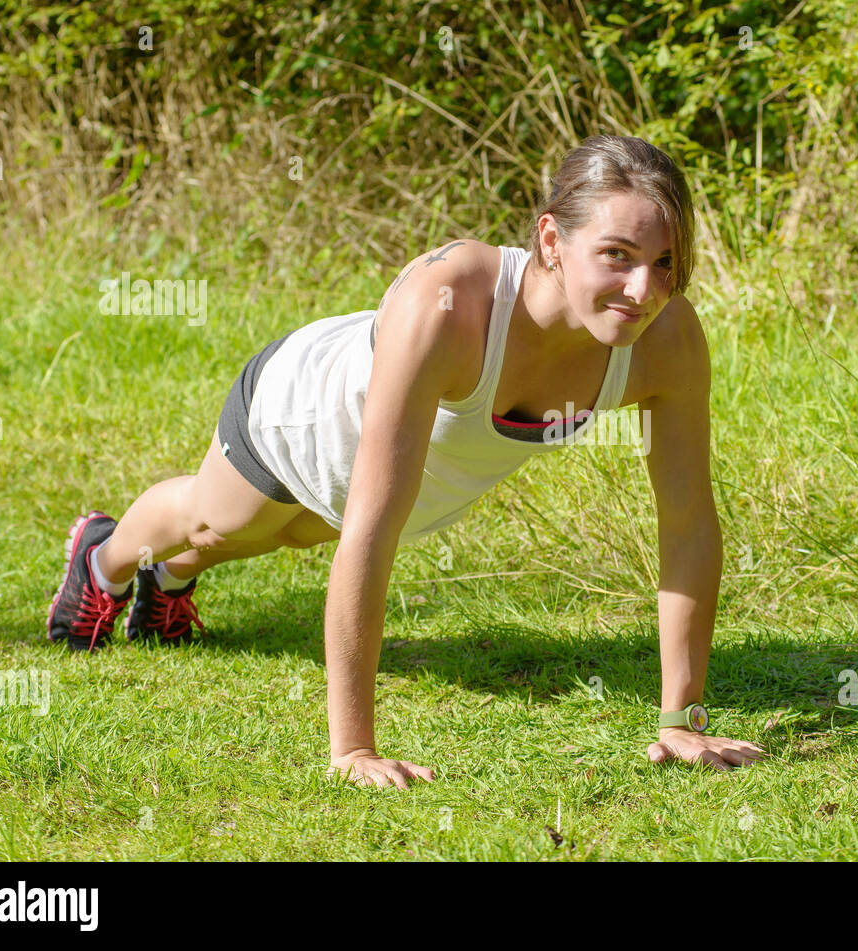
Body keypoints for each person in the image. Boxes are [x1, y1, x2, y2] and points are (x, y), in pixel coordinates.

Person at [46, 134, 766, 787]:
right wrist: (353, 747)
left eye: (665, 262)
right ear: (551, 238)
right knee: (219, 520)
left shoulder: (666, 340)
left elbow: (688, 522)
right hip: (303, 416)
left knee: (289, 534)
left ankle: (167, 583)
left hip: (407, 483)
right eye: (618, 255)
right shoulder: (450, 303)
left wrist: (683, 718)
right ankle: (103, 561)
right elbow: (370, 527)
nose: (645, 289)